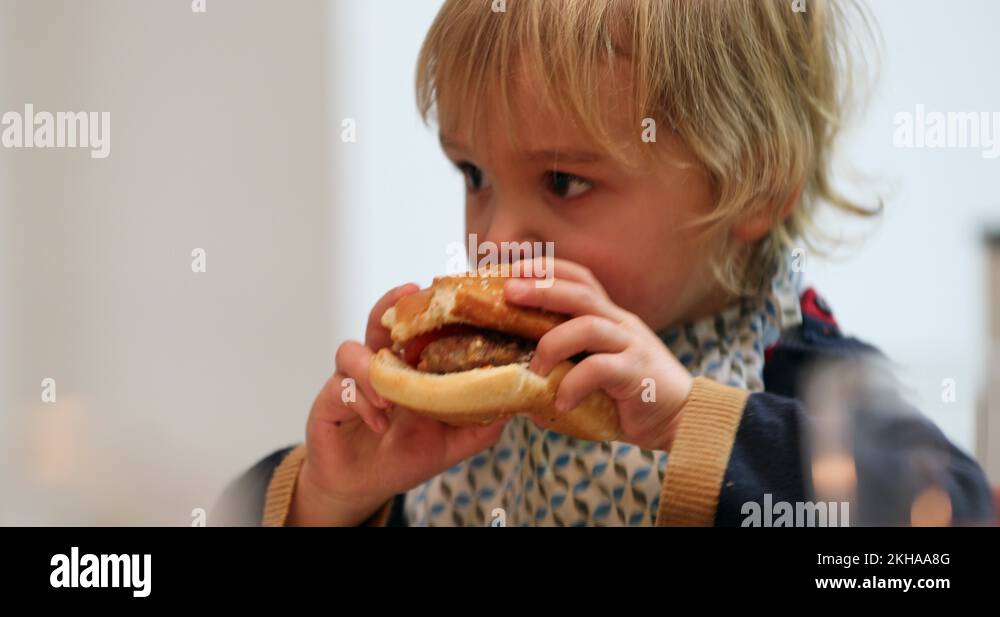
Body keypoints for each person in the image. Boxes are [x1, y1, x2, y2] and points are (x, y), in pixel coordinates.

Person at [214, 0, 995, 527]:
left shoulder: (808, 380)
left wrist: (693, 419)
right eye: (473, 175)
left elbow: (949, 517)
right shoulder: (455, 404)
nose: (496, 238)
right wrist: (330, 494)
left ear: (750, 185)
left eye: (564, 181)